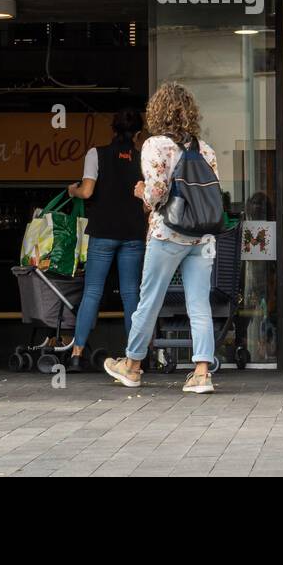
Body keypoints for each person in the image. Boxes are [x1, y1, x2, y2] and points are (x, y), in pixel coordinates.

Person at [104, 82, 221, 394]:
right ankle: (201, 373)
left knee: (150, 300)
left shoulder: (155, 145)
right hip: (202, 236)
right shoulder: (204, 149)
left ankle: (132, 366)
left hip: (168, 234)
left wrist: (143, 193)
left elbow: (157, 194)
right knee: (199, 303)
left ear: (157, 112)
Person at [64, 108, 147, 373]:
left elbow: (87, 192)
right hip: (133, 232)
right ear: (137, 134)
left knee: (92, 292)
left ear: (113, 130)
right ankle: (135, 358)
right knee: (130, 294)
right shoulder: (142, 158)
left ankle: (76, 354)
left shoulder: (96, 154)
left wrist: (72, 190)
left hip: (102, 232)